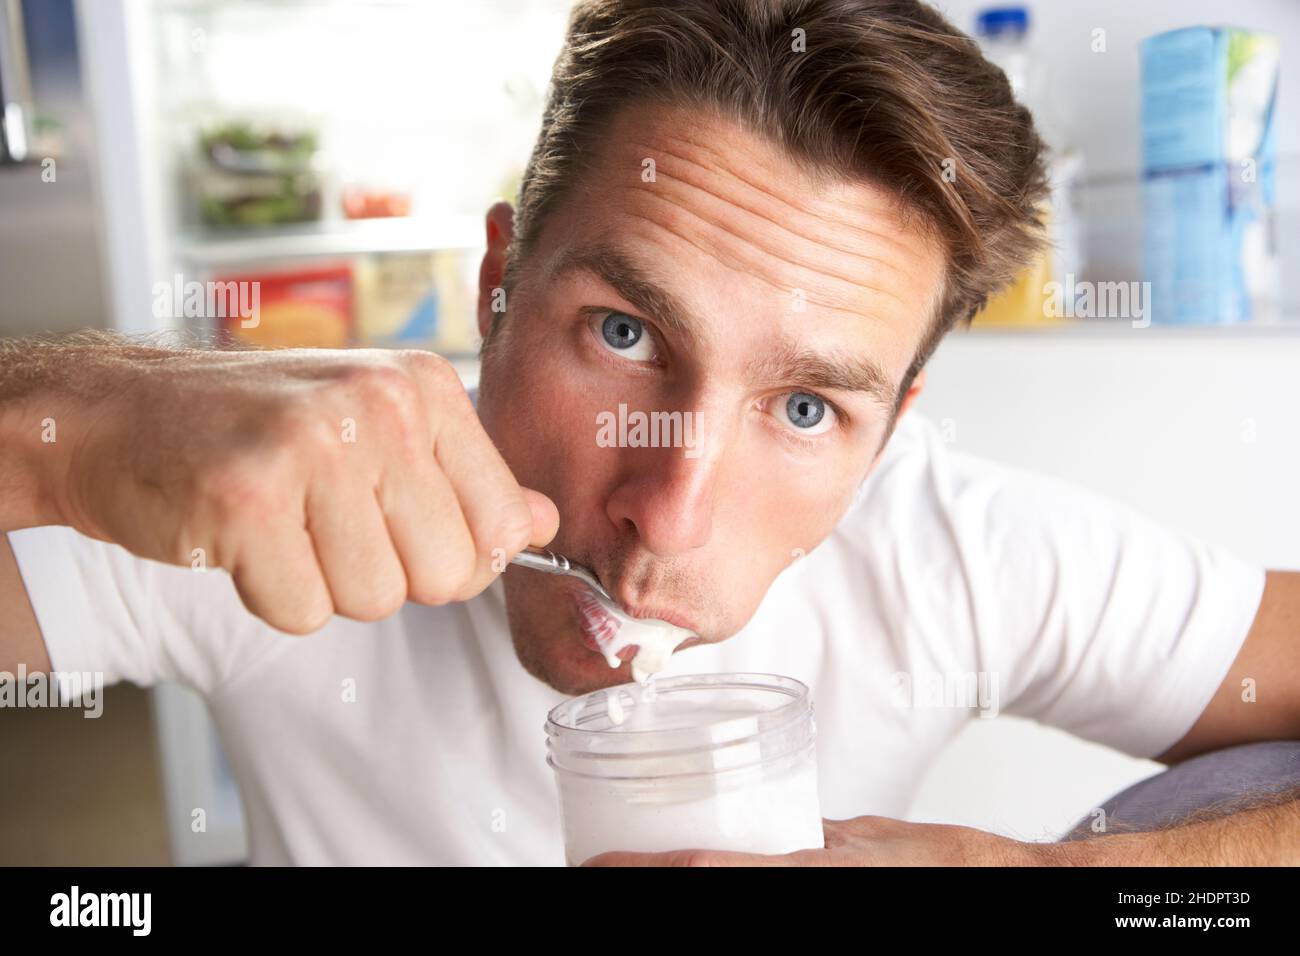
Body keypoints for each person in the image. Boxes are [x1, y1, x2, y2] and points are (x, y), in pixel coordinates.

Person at [1, 0, 1296, 866]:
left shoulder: (951, 551)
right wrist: (70, 431)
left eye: (803, 409)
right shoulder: (283, 508)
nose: (669, 513)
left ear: (892, 434)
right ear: (498, 284)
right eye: (623, 333)